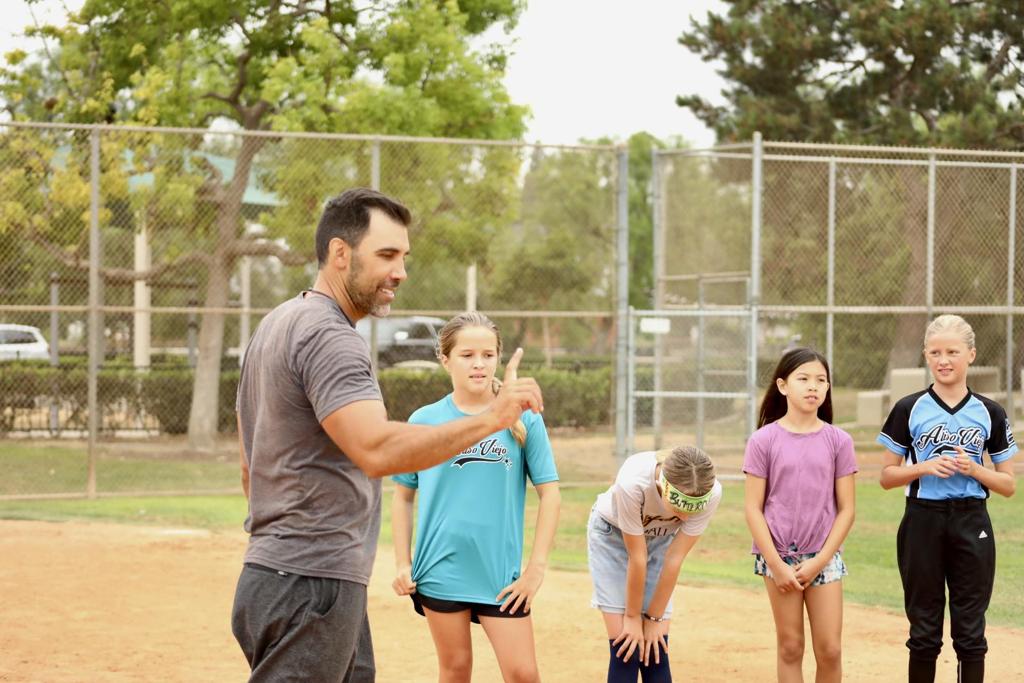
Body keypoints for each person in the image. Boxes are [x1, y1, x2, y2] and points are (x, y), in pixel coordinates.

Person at [231, 188, 544, 683]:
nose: (400, 271)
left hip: (291, 575)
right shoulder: (330, 337)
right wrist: (493, 418)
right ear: (340, 253)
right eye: (386, 255)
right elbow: (376, 450)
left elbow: (250, 465)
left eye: (404, 256)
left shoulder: (276, 324)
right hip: (311, 583)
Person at [390, 312, 561, 683]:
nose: (479, 364)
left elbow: (550, 494)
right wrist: (402, 562)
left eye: (488, 354)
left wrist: (536, 570)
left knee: (523, 674)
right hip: (440, 569)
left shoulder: (524, 418)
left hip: (500, 576)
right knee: (454, 671)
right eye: (467, 355)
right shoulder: (424, 420)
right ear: (445, 359)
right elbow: (403, 495)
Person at [878, 314, 1017, 683]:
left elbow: (1008, 485)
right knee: (924, 631)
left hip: (972, 519)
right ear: (926, 355)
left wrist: (974, 469)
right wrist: (923, 468)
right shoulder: (909, 408)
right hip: (922, 518)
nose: (944, 359)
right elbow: (886, 477)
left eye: (953, 351)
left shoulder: (990, 411)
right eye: (936, 351)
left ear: (970, 355)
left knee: (971, 632)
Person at [743, 347, 857, 683]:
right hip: (778, 558)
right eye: (803, 378)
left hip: (823, 557)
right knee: (790, 647)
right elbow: (752, 507)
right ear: (782, 386)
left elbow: (847, 509)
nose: (813, 386)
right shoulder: (763, 440)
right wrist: (777, 565)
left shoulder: (839, 440)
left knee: (830, 650)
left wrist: (821, 560)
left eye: (821, 380)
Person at [587, 445, 722, 683]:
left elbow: (675, 558)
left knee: (655, 648)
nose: (685, 519)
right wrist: (631, 618)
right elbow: (637, 557)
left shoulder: (711, 492)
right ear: (663, 486)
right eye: (679, 508)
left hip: (662, 542)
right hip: (612, 537)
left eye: (692, 510)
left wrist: (654, 619)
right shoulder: (633, 481)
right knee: (626, 647)